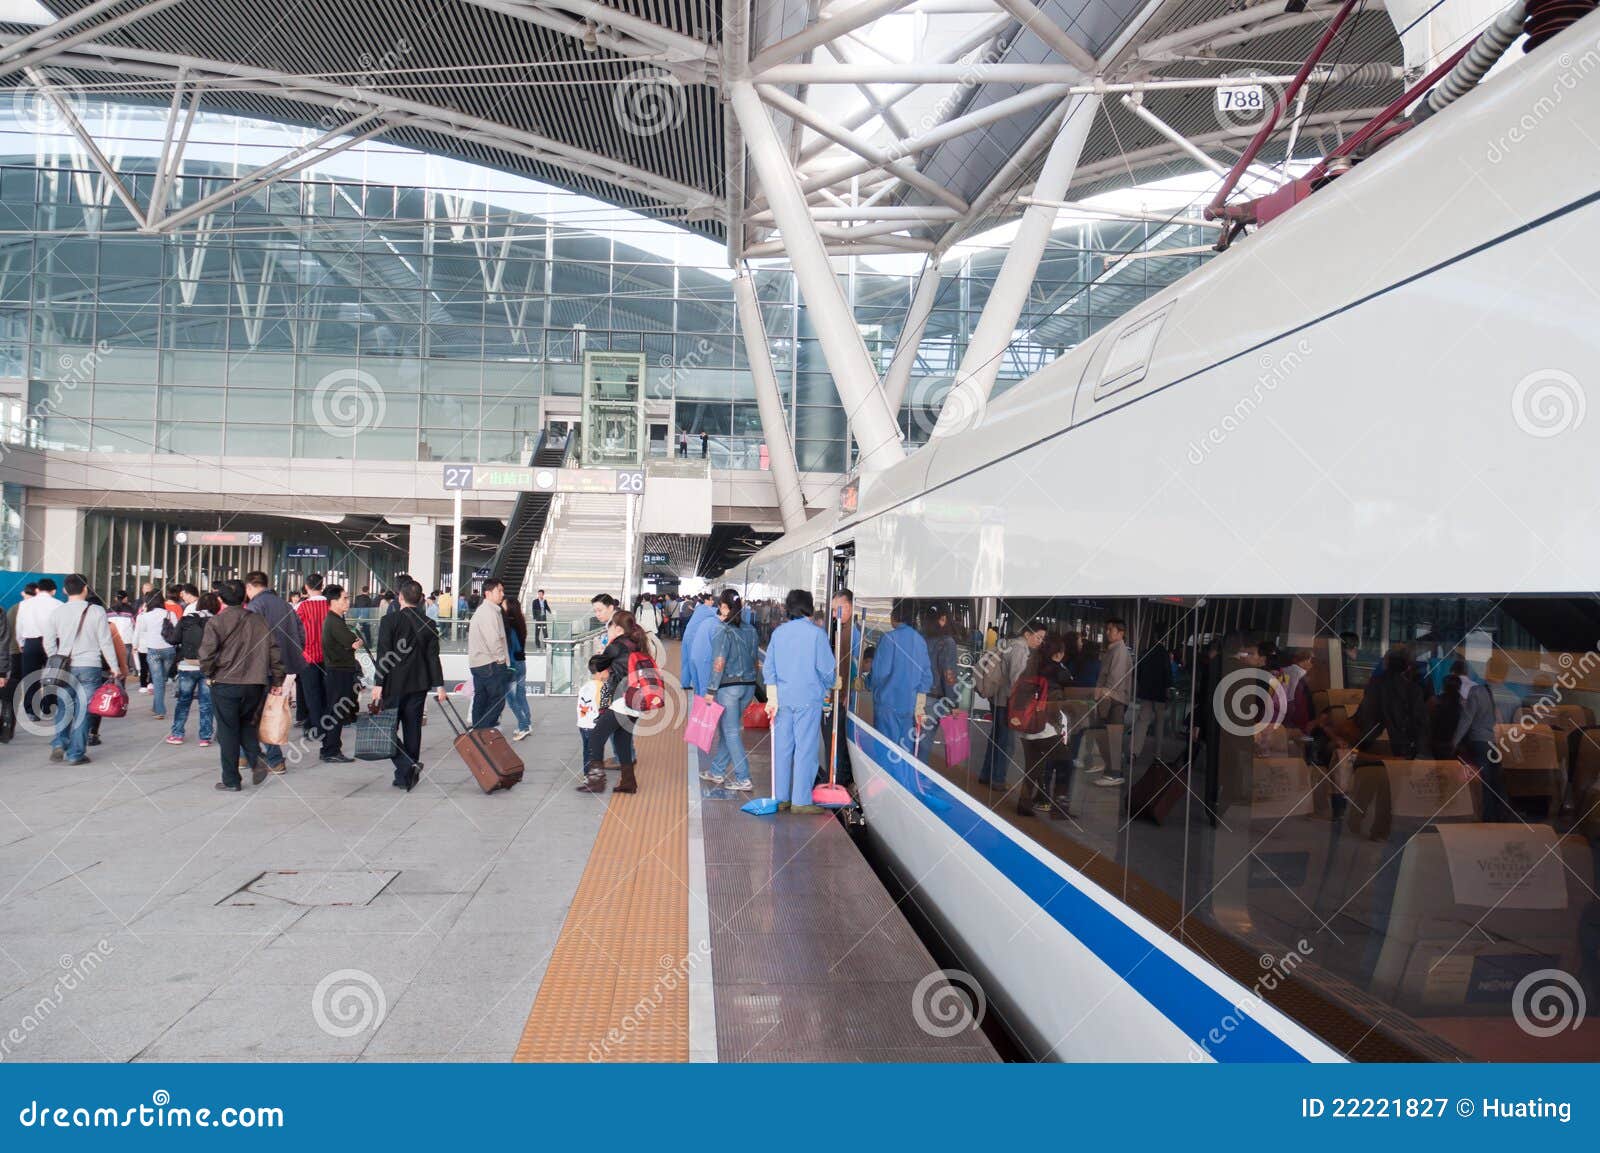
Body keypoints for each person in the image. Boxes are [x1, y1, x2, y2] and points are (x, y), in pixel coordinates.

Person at [199, 579, 284, 792]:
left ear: (220, 599)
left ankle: (231, 780)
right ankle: (257, 760)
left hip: (226, 683)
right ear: (244, 597)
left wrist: (209, 673)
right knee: (247, 724)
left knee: (228, 731)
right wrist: (277, 679)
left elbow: (206, 654)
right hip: (255, 683)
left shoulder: (216, 622)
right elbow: (274, 650)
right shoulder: (260, 621)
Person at [763, 589, 837, 813]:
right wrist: (832, 682)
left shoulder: (778, 633)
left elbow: (769, 669)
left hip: (782, 701)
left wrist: (772, 698)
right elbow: (827, 671)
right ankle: (801, 801)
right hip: (807, 700)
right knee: (805, 749)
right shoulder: (817, 635)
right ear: (809, 607)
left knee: (783, 748)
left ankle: (782, 797)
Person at [372, 580, 445, 791]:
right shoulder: (429, 625)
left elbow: (383, 653)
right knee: (413, 729)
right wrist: (439, 686)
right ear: (421, 599)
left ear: (400, 598)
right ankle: (406, 775)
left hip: (393, 684)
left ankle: (406, 767)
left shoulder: (390, 621)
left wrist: (378, 683)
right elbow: (433, 658)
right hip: (419, 685)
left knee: (387, 730)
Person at [44, 575, 120, 766]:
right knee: (84, 711)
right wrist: (114, 667)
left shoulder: (57, 612)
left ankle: (59, 742)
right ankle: (76, 754)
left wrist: (56, 657)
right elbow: (105, 641)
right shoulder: (96, 611)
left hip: (64, 667)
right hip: (89, 666)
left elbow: (48, 641)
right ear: (85, 588)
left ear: (64, 590)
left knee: (64, 706)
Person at [575, 610, 650, 796]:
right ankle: (628, 782)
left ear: (617, 628)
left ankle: (596, 780)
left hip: (621, 701)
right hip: (636, 700)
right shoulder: (637, 643)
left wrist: (601, 654)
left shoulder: (617, 645)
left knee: (595, 737)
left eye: (609, 629)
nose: (607, 633)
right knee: (622, 741)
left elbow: (596, 669)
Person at [243, 572, 306, 775]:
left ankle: (273, 758)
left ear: (250, 586)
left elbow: (249, 640)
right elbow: (301, 632)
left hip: (261, 668)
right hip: (282, 665)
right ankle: (246, 755)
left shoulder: (255, 607)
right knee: (264, 711)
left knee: (256, 713)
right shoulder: (284, 605)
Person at [697, 590, 759, 792]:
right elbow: (756, 661)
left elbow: (719, 662)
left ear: (724, 607)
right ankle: (717, 771)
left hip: (728, 688)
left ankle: (744, 778)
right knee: (728, 730)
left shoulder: (722, 630)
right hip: (749, 687)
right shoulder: (751, 630)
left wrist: (710, 690)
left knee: (731, 732)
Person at [979, 620, 1043, 789]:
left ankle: (986, 775)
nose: (1040, 641)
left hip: (998, 698)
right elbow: (1018, 678)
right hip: (1008, 702)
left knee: (996, 738)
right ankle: (998, 779)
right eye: (1039, 637)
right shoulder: (1020, 649)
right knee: (1006, 743)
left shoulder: (1009, 644)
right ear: (1028, 634)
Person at [869, 602, 934, 755]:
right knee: (904, 754)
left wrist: (866, 682)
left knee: (884, 753)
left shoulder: (889, 639)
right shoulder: (920, 641)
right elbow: (926, 677)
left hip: (887, 706)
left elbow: (880, 674)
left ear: (896, 616)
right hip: (908, 708)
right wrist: (919, 704)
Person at [1079, 617, 1133, 788]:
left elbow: (1114, 680)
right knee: (1108, 737)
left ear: (1121, 632)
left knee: (1112, 738)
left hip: (1114, 699)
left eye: (1111, 629)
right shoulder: (1113, 649)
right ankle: (1111, 771)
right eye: (1107, 628)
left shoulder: (1120, 651)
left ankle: (1114, 774)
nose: (1107, 632)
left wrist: (1102, 697)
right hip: (1110, 698)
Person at [166, 590, 217, 746]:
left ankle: (177, 734)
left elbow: (174, 640)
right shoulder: (217, 621)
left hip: (187, 665)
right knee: (206, 703)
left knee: (183, 700)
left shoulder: (187, 619)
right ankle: (205, 737)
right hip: (208, 667)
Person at [319, 584, 362, 763]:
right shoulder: (334, 621)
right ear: (333, 601)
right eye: (344, 598)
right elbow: (353, 641)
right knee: (337, 711)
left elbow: (353, 642)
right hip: (339, 672)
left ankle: (328, 747)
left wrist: (355, 642)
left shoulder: (336, 619)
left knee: (335, 710)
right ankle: (331, 750)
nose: (347, 601)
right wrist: (355, 641)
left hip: (338, 670)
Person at [467, 578, 511, 730]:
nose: (502, 594)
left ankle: (478, 731)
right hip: (490, 664)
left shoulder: (488, 611)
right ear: (487, 593)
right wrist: (501, 660)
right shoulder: (488, 612)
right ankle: (483, 730)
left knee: (482, 699)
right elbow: (493, 640)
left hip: (481, 663)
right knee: (497, 700)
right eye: (499, 590)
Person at [295, 573, 332, 744]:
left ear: (306, 587)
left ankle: (316, 728)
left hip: (308, 657)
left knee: (311, 694)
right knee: (326, 692)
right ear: (322, 586)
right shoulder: (330, 605)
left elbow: (296, 633)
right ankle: (325, 724)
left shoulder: (301, 607)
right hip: (328, 656)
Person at [17, 577, 59, 720]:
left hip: (31, 642)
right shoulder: (58, 604)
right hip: (52, 642)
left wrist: (21, 642)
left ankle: (31, 710)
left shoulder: (25, 604)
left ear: (38, 589)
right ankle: (49, 707)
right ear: (53, 591)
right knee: (51, 676)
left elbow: (19, 626)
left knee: (30, 677)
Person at [133, 590, 175, 719]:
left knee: (157, 680)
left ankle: (160, 710)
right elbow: (177, 630)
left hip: (153, 650)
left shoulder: (143, 616)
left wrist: (135, 646)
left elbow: (138, 632)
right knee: (161, 679)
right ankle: (156, 706)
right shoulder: (170, 614)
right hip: (169, 649)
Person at [502, 595, 533, 741]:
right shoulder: (520, 622)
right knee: (521, 695)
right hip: (522, 662)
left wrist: (508, 663)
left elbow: (512, 647)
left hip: (513, 664)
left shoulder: (509, 625)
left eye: (504, 604)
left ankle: (523, 725)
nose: (502, 606)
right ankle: (527, 722)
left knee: (511, 697)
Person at [922, 606, 959, 708]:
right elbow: (949, 674)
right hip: (934, 696)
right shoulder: (947, 642)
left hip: (915, 694)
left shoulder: (919, 639)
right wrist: (953, 703)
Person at [576, 657, 603, 769]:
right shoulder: (601, 687)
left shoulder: (585, 686)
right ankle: (593, 776)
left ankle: (587, 775)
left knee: (587, 751)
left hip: (583, 724)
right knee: (595, 752)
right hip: (594, 725)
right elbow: (602, 707)